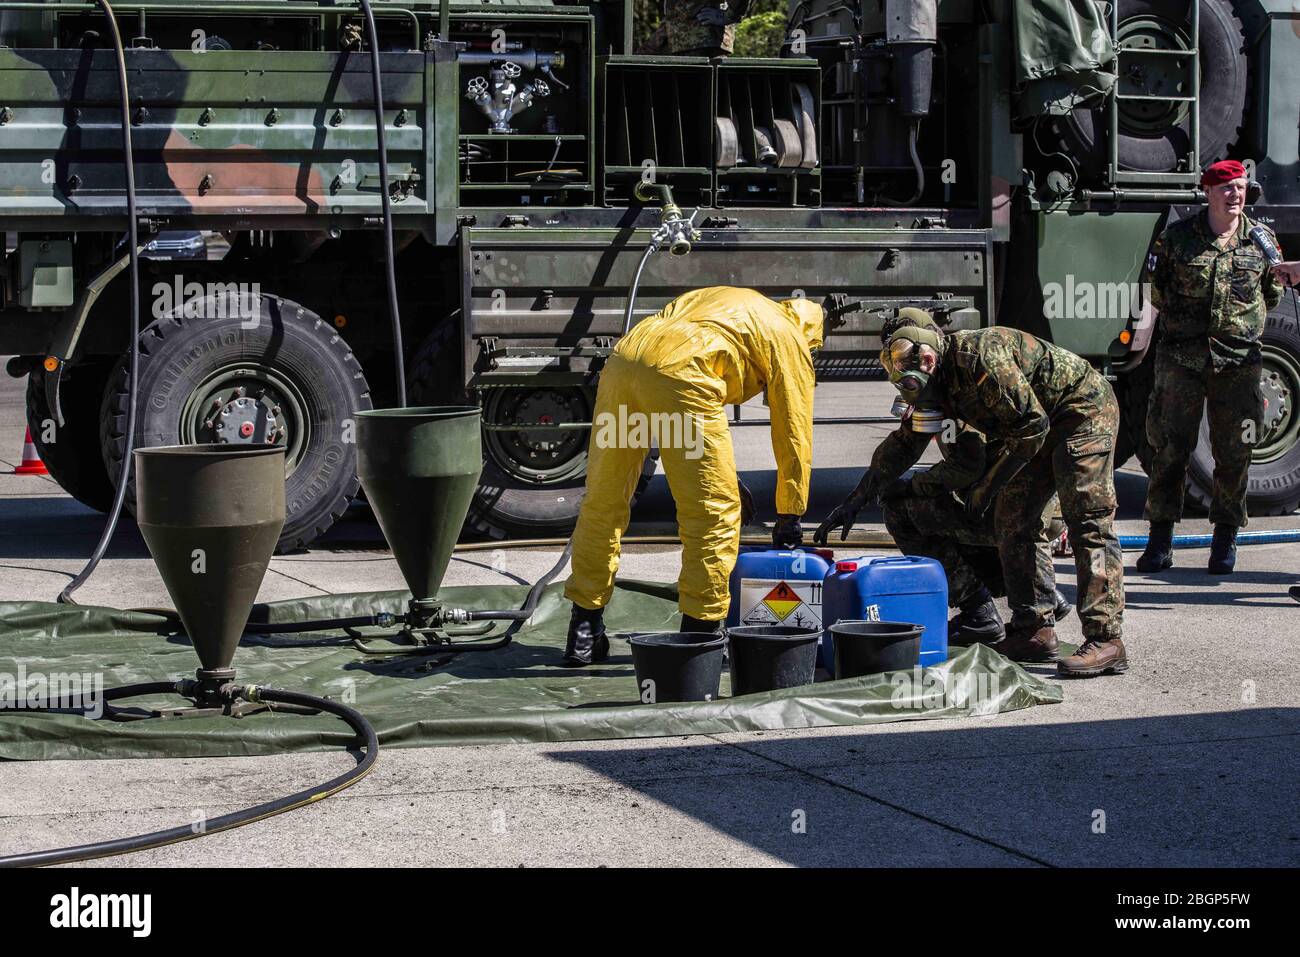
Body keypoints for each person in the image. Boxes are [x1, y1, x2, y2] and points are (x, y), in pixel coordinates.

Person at [819, 309, 1127, 677]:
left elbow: (1032, 426)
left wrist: (986, 488)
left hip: (1081, 411)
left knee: (1088, 521)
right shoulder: (934, 386)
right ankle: (1034, 631)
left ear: (931, 352)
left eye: (911, 356)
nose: (906, 371)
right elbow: (904, 444)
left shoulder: (980, 357)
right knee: (1015, 520)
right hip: (1034, 430)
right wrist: (858, 497)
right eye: (894, 362)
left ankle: (1106, 638)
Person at [561, 287, 823, 665]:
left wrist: (725, 476)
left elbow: (687, 421)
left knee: (604, 501)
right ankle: (700, 638)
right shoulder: (790, 337)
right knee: (712, 515)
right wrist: (790, 513)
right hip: (683, 372)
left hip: (624, 364)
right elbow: (794, 431)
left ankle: (583, 633)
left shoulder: (738, 303)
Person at [1136, 159, 1288, 575]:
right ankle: (1160, 540)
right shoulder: (1177, 239)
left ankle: (1225, 539)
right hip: (1181, 361)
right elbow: (1156, 291)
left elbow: (1271, 294)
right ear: (1208, 192)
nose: (1235, 195)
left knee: (1235, 452)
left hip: (1238, 364)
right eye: (1226, 188)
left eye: (1240, 187)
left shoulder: (1261, 240)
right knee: (1170, 449)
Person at [859, 420, 1074, 644]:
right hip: (1048, 511)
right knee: (954, 513)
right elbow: (907, 440)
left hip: (1016, 514)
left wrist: (909, 485)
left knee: (902, 512)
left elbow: (964, 467)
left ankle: (979, 613)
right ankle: (1042, 596)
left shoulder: (954, 403)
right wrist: (864, 491)